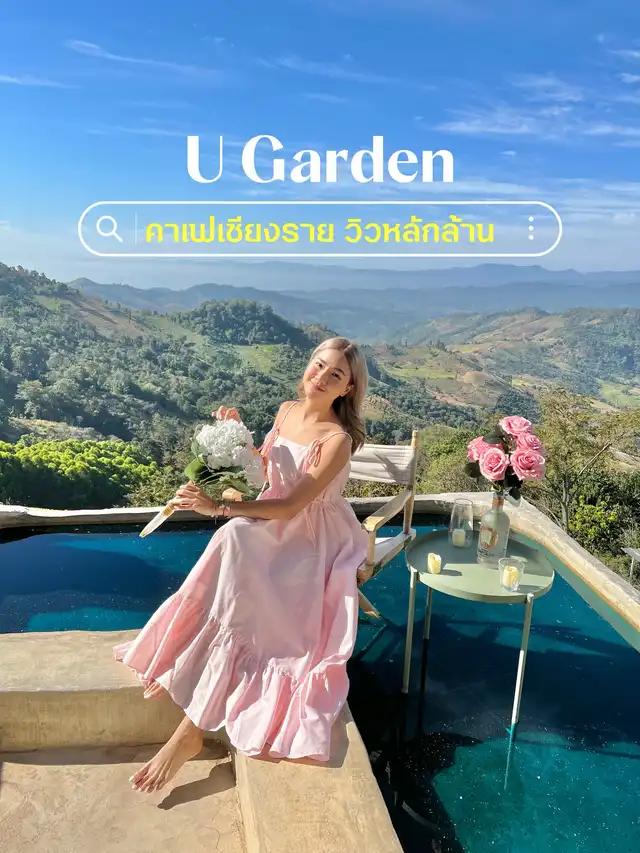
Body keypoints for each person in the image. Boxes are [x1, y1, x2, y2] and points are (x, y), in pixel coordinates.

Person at [114, 336, 371, 793]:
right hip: (272, 519)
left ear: (348, 388)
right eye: (318, 365)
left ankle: (190, 731)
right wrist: (238, 440)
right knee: (234, 538)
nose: (321, 377)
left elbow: (291, 505)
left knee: (234, 535)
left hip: (313, 536)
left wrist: (218, 507)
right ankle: (192, 704)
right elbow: (267, 472)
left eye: (335, 374)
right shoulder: (287, 410)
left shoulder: (337, 440)